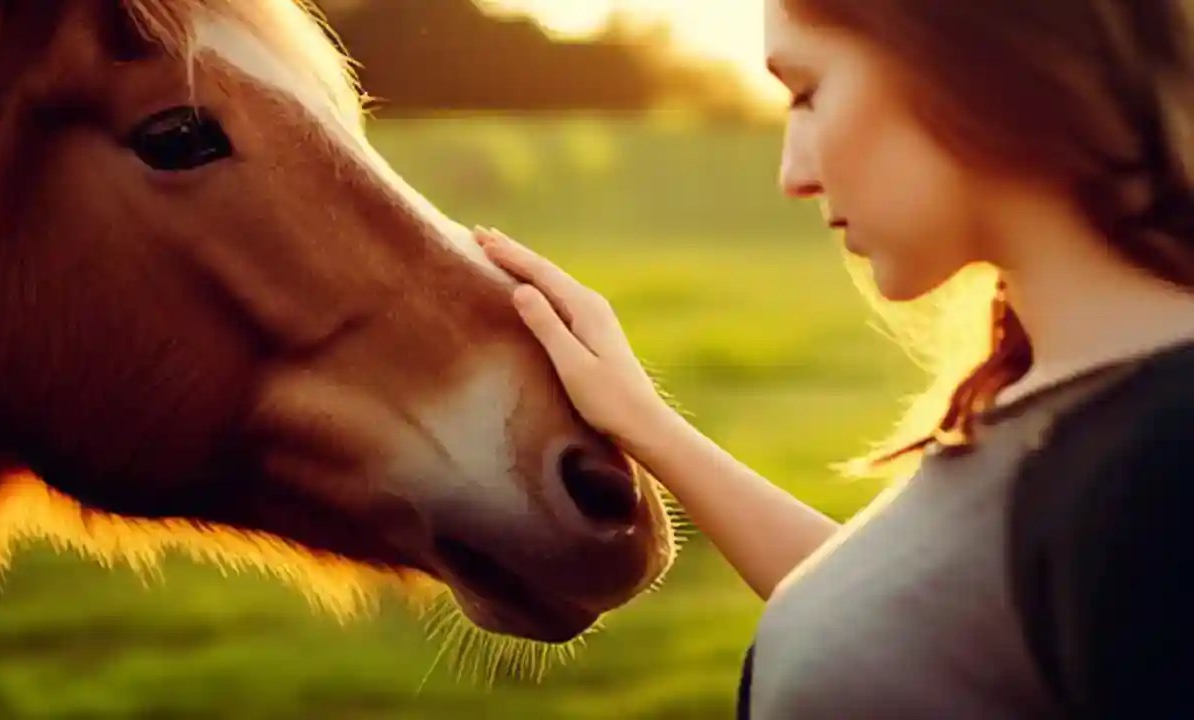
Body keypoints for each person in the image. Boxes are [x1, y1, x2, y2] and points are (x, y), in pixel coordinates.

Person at [471, 0, 1194, 718]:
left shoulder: (1162, 461)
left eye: (809, 93)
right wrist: (646, 424)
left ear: (958, 60)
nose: (794, 174)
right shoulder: (1091, 413)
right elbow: (914, 637)